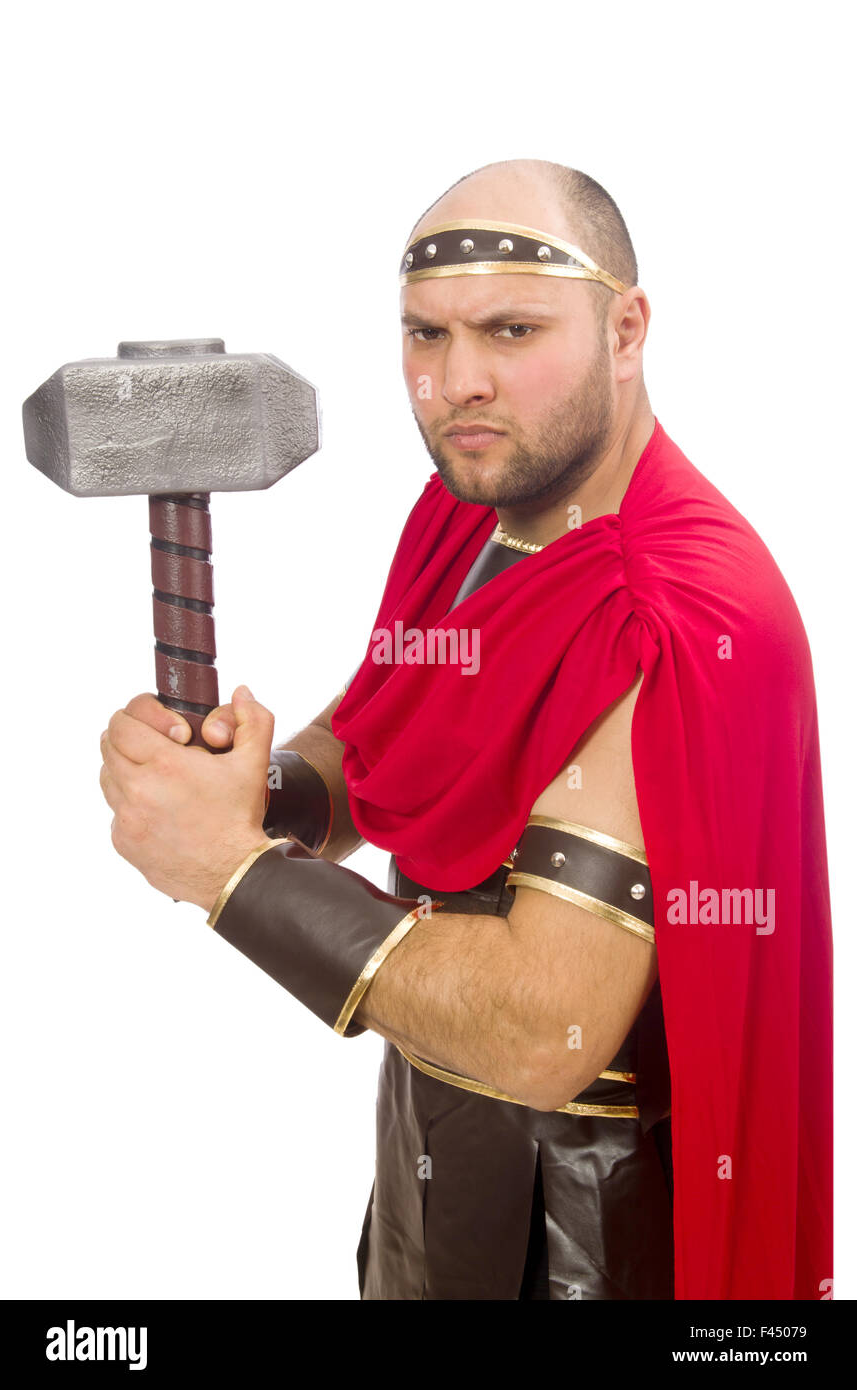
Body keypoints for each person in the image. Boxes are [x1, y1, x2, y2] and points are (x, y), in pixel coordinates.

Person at [99, 159, 832, 1301]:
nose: (458, 382)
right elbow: (394, 740)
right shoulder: (470, 506)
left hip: (595, 1232)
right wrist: (261, 789)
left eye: (511, 329)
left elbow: (553, 1025)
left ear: (626, 329)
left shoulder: (671, 614)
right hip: (432, 1159)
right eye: (425, 336)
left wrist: (232, 872)